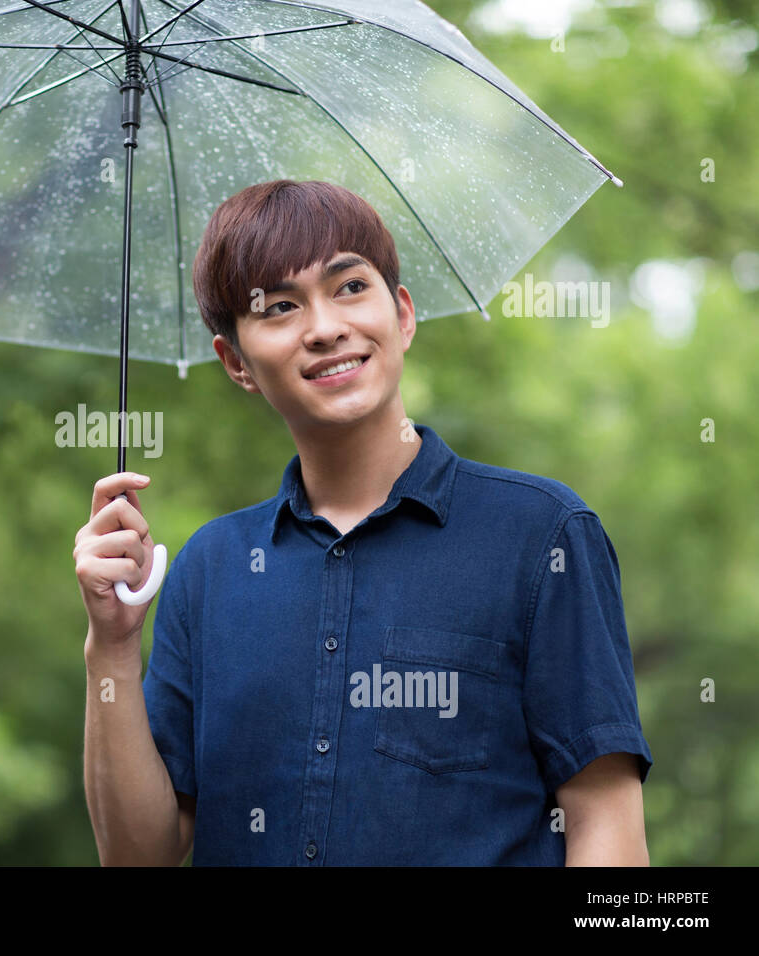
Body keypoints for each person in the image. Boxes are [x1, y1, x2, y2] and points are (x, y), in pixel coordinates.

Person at [74, 179, 653, 866]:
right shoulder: (209, 568)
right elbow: (142, 855)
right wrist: (110, 645)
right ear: (236, 362)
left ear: (402, 315)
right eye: (280, 306)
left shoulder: (542, 537)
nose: (324, 328)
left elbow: (606, 828)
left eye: (350, 287)